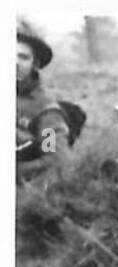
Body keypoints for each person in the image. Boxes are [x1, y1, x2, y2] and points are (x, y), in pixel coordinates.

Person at [17, 23, 71, 182]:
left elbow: (55, 160)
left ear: (35, 64)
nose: (14, 62)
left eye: (23, 57)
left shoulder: (46, 110)